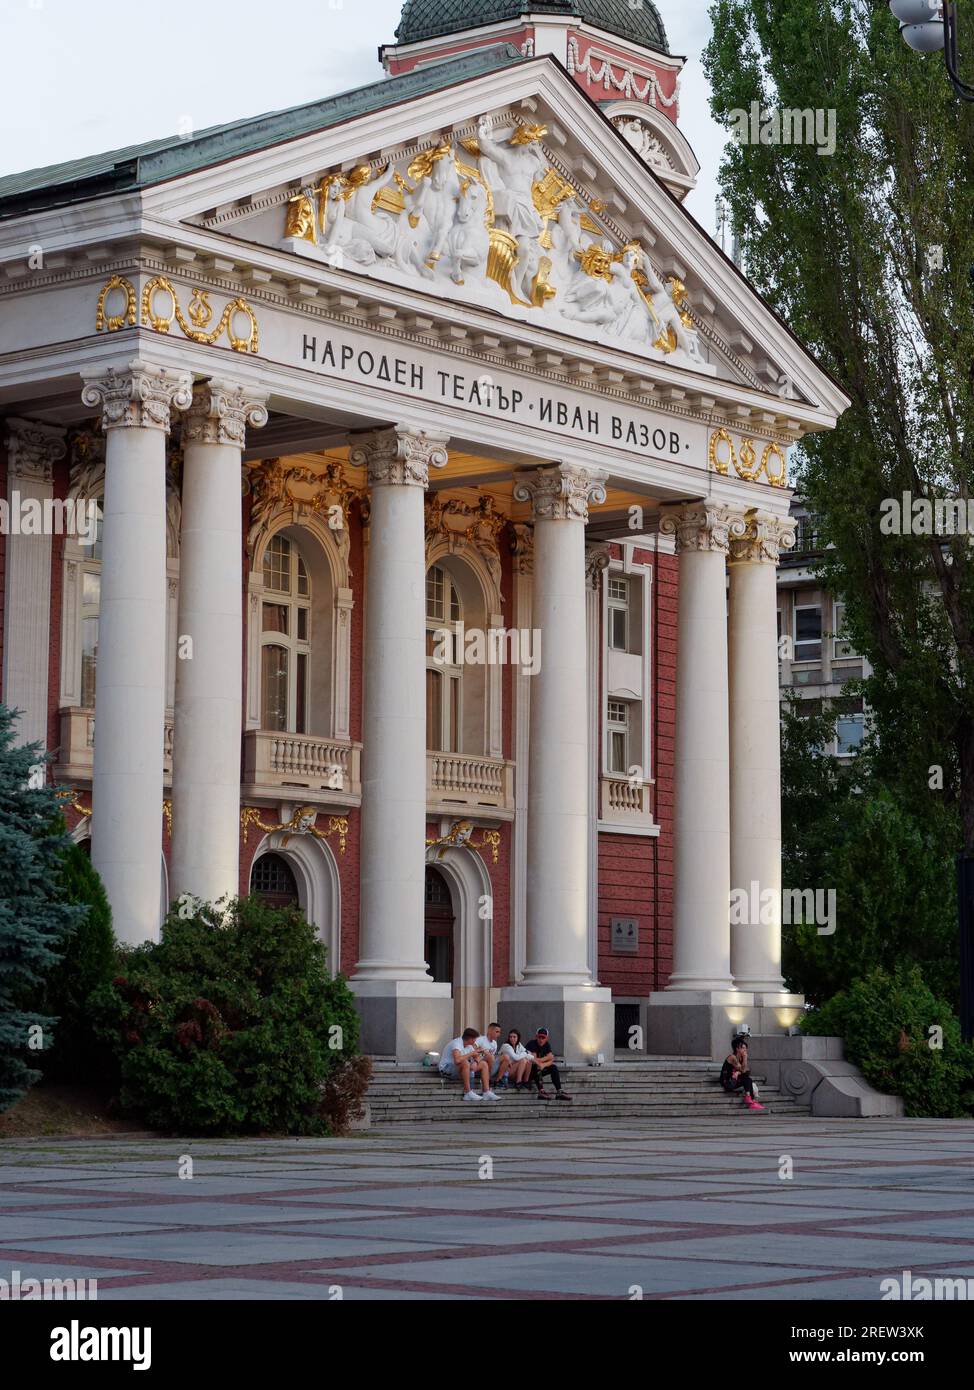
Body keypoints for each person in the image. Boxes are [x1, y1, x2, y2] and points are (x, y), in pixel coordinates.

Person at [438, 1028, 498, 1102]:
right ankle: (467, 1092)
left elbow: (478, 1056)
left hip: (459, 1069)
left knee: (483, 1064)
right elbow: (457, 1060)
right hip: (446, 1069)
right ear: (470, 1039)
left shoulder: (469, 1046)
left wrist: (476, 1061)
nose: (475, 1041)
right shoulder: (456, 1043)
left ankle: (486, 1092)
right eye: (474, 1039)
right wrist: (472, 1053)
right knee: (465, 1062)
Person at [720, 1034, 765, 1111]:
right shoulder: (732, 1057)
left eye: (746, 1048)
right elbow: (744, 1070)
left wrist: (738, 1073)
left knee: (748, 1079)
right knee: (746, 1077)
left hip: (735, 1080)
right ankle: (750, 1100)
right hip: (728, 1082)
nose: (745, 1050)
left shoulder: (740, 1057)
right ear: (737, 1048)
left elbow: (746, 1071)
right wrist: (745, 1059)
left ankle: (751, 1100)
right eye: (743, 1048)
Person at [526, 1026, 571, 1101]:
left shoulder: (547, 1045)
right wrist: (547, 1058)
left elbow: (551, 1060)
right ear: (536, 1037)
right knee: (537, 1066)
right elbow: (534, 1060)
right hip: (529, 1072)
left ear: (547, 1038)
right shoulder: (532, 1043)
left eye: (543, 1038)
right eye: (539, 1037)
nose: (541, 1040)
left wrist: (543, 1064)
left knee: (553, 1067)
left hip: (539, 1070)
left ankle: (559, 1091)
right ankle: (541, 1091)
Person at [474, 1023, 502, 1088]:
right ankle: (487, 1079)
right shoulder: (481, 1039)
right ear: (490, 1030)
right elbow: (473, 1047)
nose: (498, 1034)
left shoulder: (495, 1043)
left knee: (505, 1057)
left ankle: (499, 1080)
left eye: (499, 1032)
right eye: (497, 1031)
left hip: (489, 1064)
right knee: (490, 1056)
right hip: (478, 1061)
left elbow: (492, 1056)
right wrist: (483, 1051)